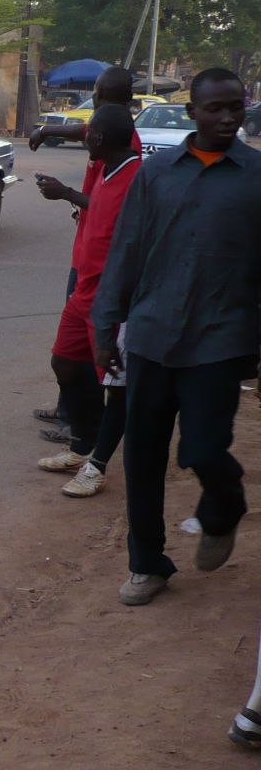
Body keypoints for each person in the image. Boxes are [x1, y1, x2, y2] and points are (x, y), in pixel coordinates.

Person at [94, 68, 261, 606]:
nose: (228, 117)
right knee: (141, 458)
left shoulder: (256, 176)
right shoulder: (158, 173)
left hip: (221, 339)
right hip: (151, 335)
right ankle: (148, 564)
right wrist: (105, 322)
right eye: (215, 108)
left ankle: (223, 508)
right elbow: (127, 249)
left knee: (204, 448)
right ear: (193, 112)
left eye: (236, 106)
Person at [29, 67, 142, 435]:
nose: (94, 98)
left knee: (97, 357)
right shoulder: (105, 135)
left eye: (98, 92)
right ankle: (73, 417)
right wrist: (48, 129)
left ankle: (86, 434)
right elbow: (81, 130)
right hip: (85, 259)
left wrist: (67, 193)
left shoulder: (127, 157)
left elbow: (111, 211)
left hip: (101, 274)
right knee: (67, 355)